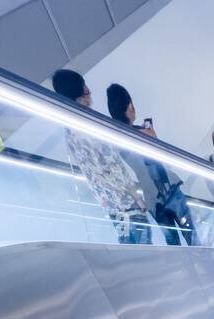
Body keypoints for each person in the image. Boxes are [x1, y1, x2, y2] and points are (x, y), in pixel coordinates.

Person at [51, 69, 153, 244]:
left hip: (112, 209)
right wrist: (137, 198)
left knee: (133, 257)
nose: (89, 90)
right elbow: (111, 168)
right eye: (84, 86)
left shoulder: (69, 131)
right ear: (81, 91)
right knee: (146, 253)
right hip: (128, 206)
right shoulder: (89, 126)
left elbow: (93, 174)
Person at [105, 83, 195, 245]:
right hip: (169, 190)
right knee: (192, 236)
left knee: (173, 243)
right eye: (130, 104)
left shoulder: (117, 137)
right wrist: (150, 134)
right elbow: (157, 149)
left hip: (152, 198)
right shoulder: (139, 133)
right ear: (128, 106)